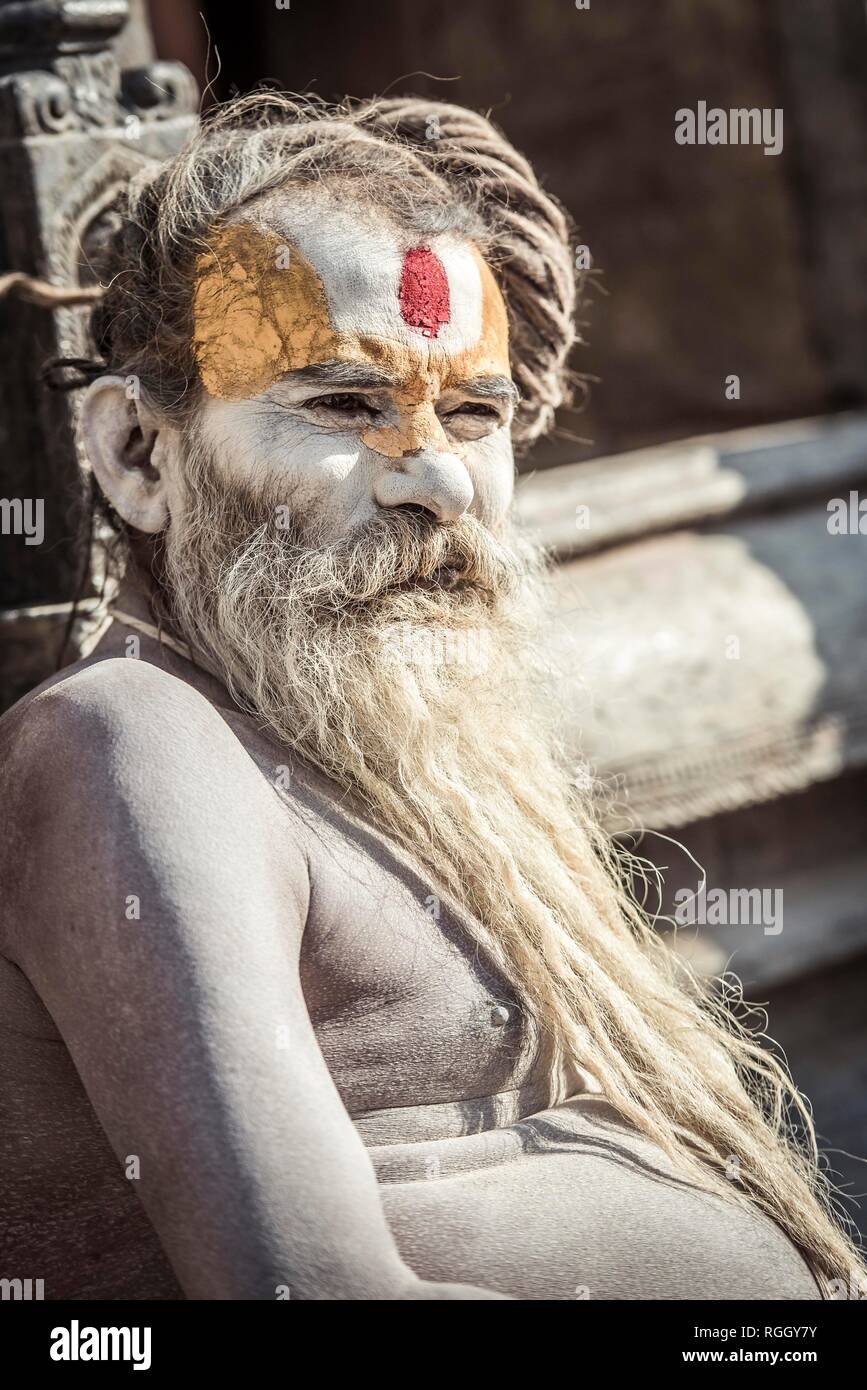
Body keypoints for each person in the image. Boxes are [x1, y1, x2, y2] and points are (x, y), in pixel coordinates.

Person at [0, 93, 859, 1300]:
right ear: (141, 455)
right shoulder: (127, 740)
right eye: (346, 405)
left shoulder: (366, 751)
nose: (442, 482)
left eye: (476, 412)